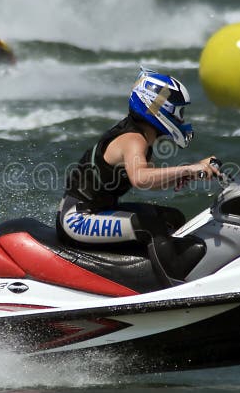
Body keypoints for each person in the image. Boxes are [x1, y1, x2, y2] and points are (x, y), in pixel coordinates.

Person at [57, 67, 219, 284]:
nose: (181, 119)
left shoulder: (140, 135)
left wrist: (184, 174)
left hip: (95, 211)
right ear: (158, 109)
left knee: (173, 218)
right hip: (77, 218)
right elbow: (141, 179)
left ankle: (143, 274)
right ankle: (174, 287)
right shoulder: (134, 139)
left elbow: (149, 177)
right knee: (151, 225)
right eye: (179, 113)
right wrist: (189, 169)